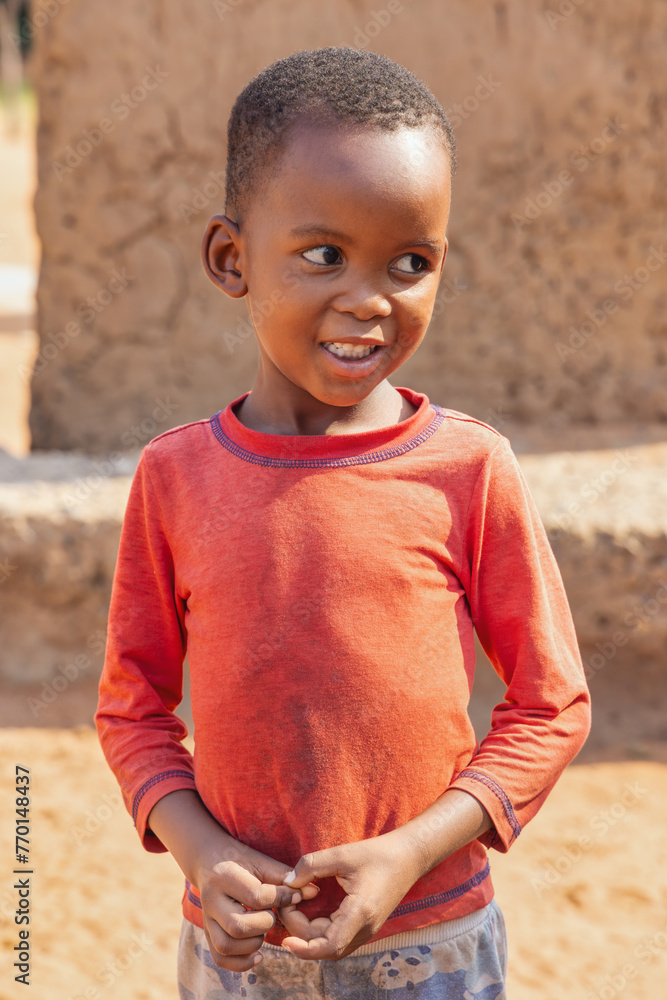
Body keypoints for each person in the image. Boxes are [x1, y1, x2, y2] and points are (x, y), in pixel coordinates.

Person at [95, 47, 591, 1000]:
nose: (370, 299)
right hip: (236, 947)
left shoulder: (468, 470)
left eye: (410, 262)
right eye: (323, 255)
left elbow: (551, 705)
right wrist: (202, 854)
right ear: (230, 259)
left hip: (432, 942)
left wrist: (411, 851)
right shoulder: (174, 478)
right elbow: (131, 709)